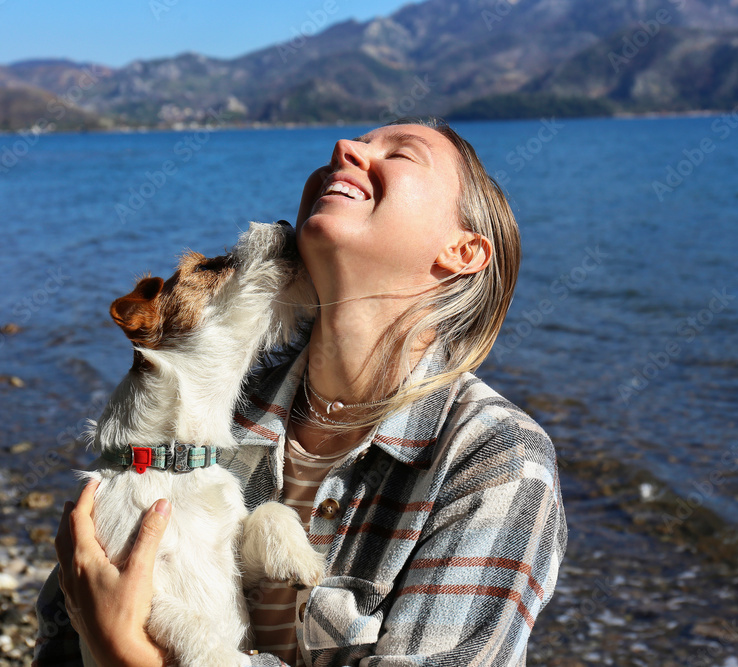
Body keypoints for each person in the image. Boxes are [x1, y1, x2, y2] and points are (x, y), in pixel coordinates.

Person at [35, 116, 567, 666]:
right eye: (355, 142)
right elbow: (62, 624)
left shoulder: (496, 461)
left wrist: (133, 654)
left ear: (461, 252)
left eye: (402, 154)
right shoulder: (202, 409)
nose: (343, 148)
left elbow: (103, 626)